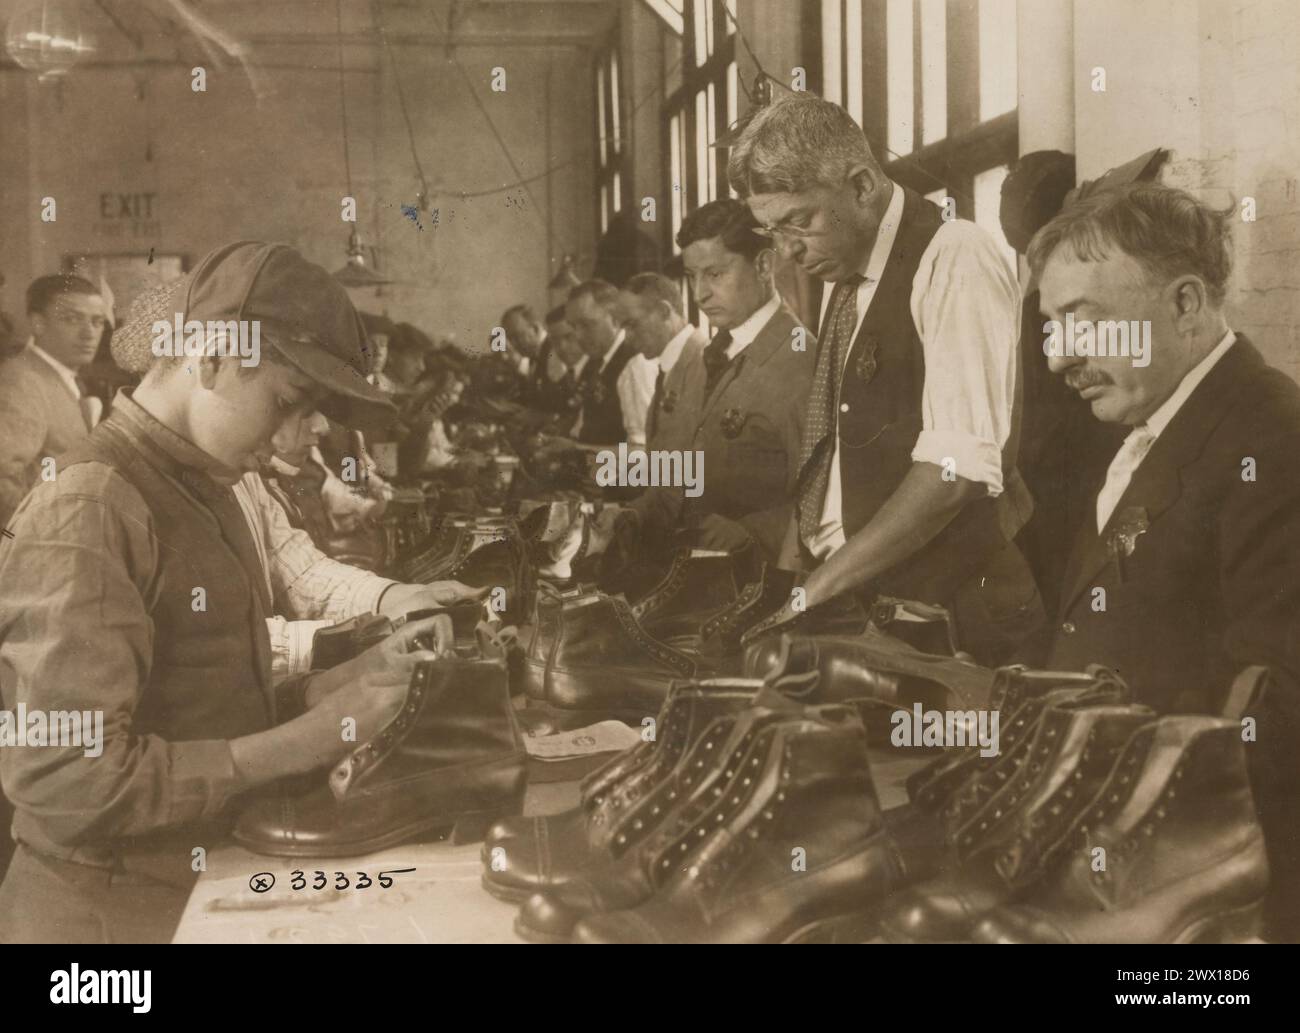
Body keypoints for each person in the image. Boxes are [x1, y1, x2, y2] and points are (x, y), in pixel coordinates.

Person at [0, 241, 456, 943]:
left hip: (188, 883)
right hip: (100, 922)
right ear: (209, 356)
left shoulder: (212, 478)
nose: (302, 432)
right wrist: (302, 741)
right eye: (285, 400)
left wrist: (330, 687)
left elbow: (192, 696)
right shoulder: (91, 504)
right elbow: (66, 779)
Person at [1022, 182, 1300, 940]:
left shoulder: (1273, 440)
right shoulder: (1150, 432)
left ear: (1185, 304)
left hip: (1202, 905)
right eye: (1050, 327)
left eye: (1082, 320)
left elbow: (1274, 716)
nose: (1059, 358)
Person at [730, 95, 1042, 664]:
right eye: (772, 231)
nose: (788, 251)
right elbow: (831, 457)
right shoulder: (847, 272)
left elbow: (953, 474)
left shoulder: (954, 257)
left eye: (800, 220)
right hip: (862, 601)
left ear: (863, 186)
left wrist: (814, 594)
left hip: (953, 620)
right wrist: (788, 583)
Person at [0, 274, 109, 528]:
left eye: (97, 322)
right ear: (38, 323)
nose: (89, 333)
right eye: (72, 319)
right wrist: (47, 529)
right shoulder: (22, 382)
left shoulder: (60, 376)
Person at [617, 272, 708, 449]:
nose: (627, 338)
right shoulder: (671, 365)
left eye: (633, 324)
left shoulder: (703, 364)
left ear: (663, 312)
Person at [566, 279, 656, 449]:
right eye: (573, 326)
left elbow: (643, 451)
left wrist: (574, 448)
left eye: (586, 324)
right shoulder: (595, 362)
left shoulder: (635, 366)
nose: (577, 336)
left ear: (615, 320)